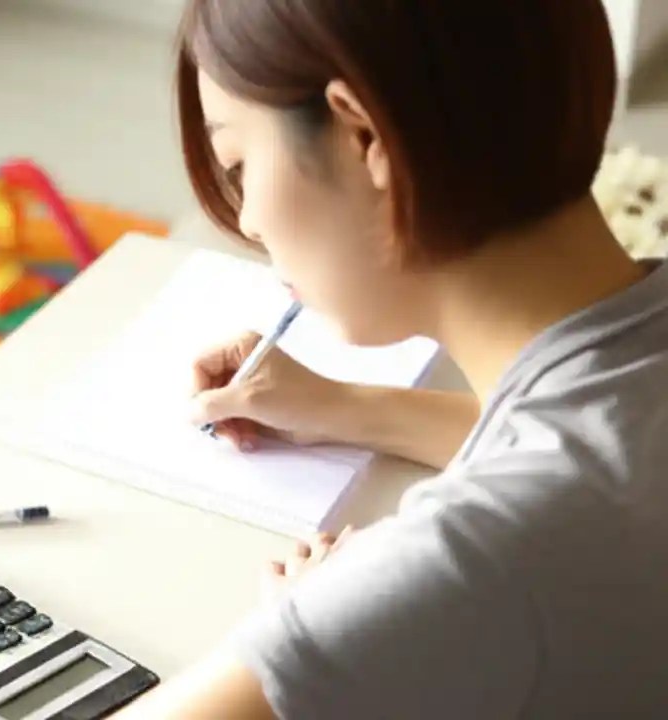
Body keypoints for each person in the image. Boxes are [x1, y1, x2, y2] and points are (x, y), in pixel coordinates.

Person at [121, 1, 668, 717]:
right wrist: (344, 407)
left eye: (239, 164)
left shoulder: (471, 561)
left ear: (363, 136)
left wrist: (328, 626)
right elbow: (600, 443)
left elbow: (538, 508)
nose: (248, 220)